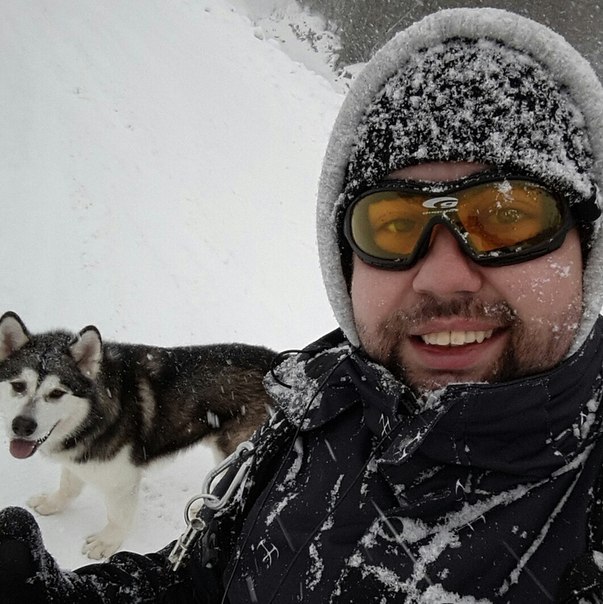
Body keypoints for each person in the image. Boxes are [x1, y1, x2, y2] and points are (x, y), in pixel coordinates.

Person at [1, 6, 603, 603]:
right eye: (393, 225)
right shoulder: (315, 406)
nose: (444, 277)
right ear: (347, 262)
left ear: (588, 247)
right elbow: (203, 578)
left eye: (509, 216)